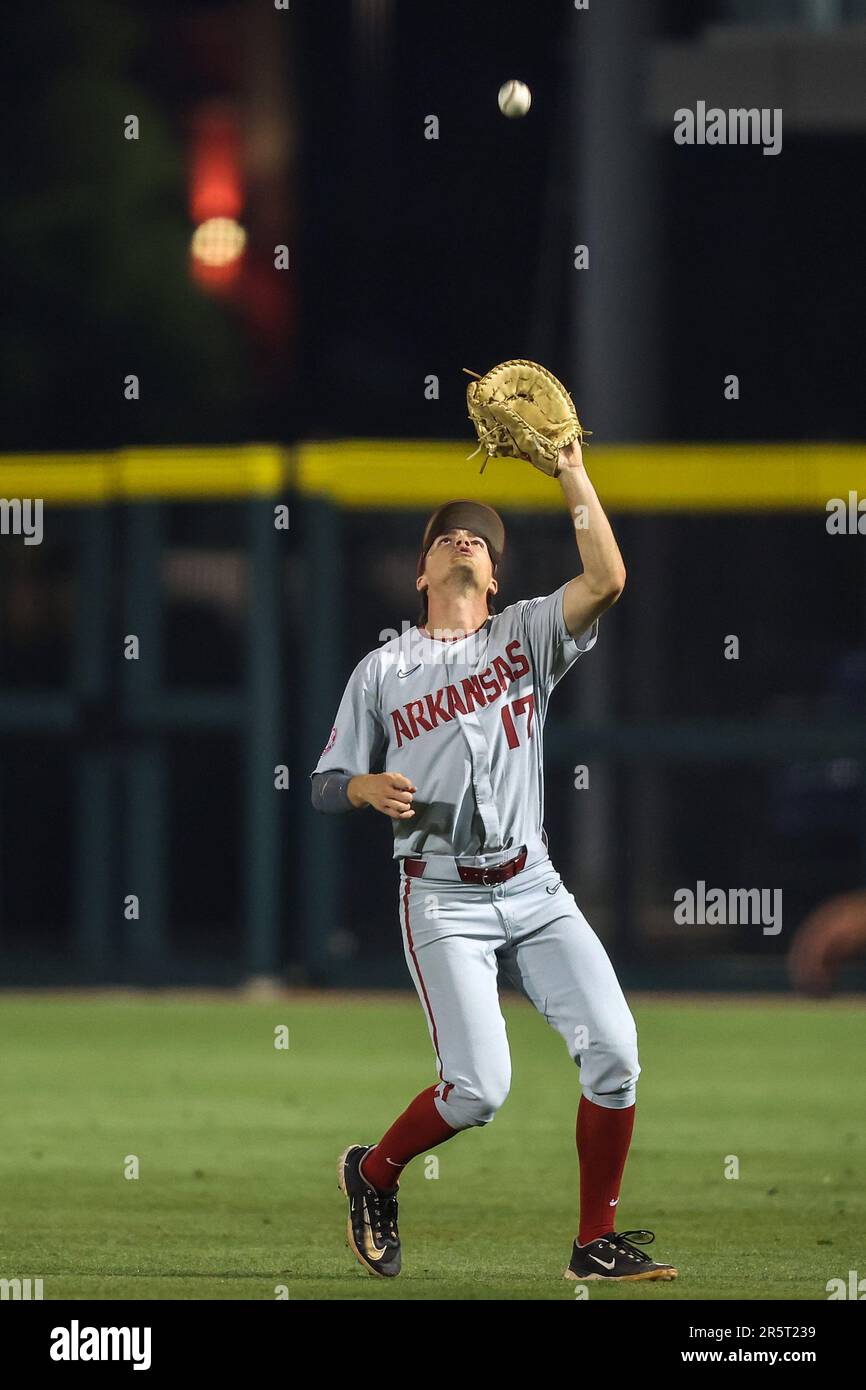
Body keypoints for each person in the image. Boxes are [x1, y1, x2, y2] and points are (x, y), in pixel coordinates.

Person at [310, 439, 677, 1283]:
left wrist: (572, 473)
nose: (466, 540)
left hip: (535, 884)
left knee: (615, 1053)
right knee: (479, 1090)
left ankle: (593, 1242)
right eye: (449, 535)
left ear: (497, 578)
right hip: (441, 898)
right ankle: (373, 1175)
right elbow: (326, 783)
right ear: (421, 572)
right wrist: (363, 787)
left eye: (479, 537)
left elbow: (609, 579)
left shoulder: (527, 638)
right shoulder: (384, 668)